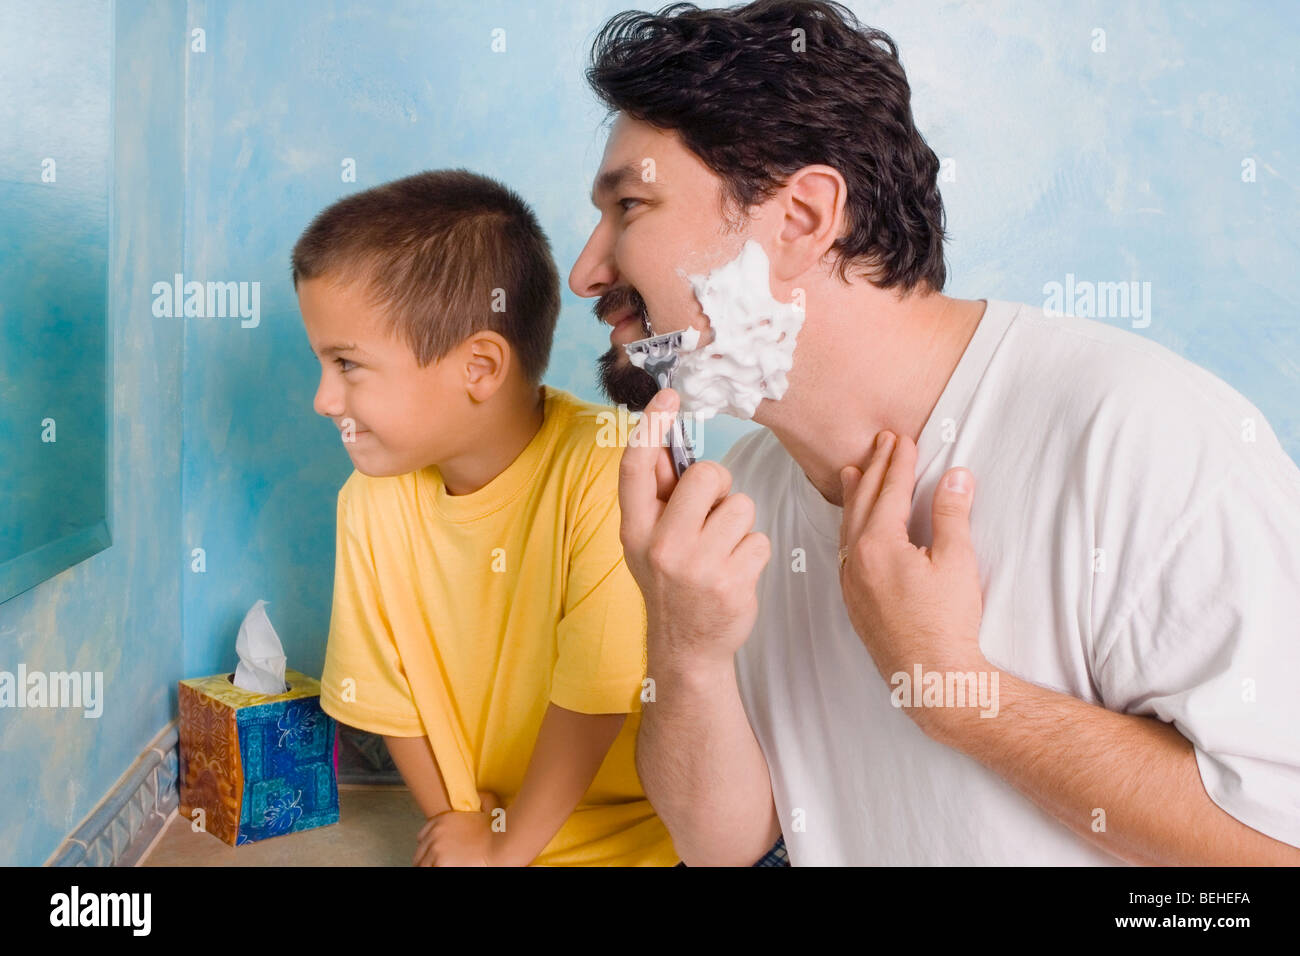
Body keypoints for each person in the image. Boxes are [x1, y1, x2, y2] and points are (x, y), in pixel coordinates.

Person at [571, 0, 1300, 865]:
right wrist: (685, 646)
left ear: (802, 219)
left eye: (630, 207)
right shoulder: (752, 490)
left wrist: (957, 692)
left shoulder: (1141, 437)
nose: (587, 271)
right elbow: (724, 841)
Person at [294, 169, 678, 866]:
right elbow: (393, 704)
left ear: (478, 368)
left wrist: (507, 846)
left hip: (643, 844)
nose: (324, 399)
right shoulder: (369, 503)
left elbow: (594, 698)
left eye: (346, 364)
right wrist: (460, 824)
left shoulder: (608, 466)